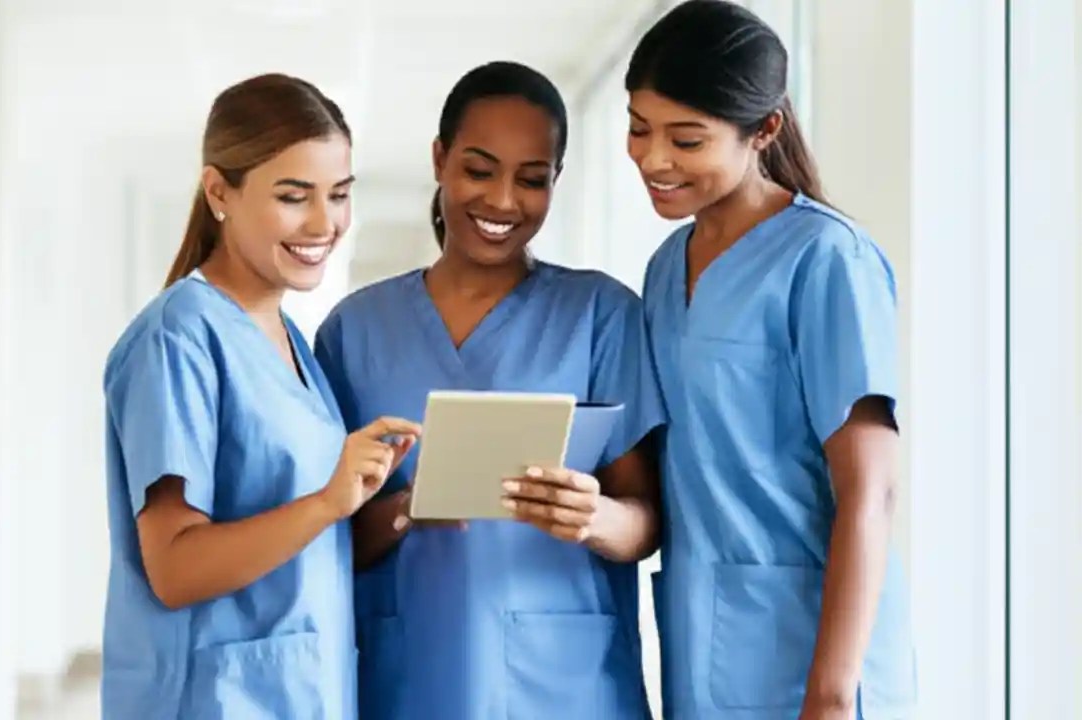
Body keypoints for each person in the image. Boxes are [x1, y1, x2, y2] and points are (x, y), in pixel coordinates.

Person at [314, 61, 665, 720]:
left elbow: (644, 519)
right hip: (411, 677)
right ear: (440, 159)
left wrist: (594, 518)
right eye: (479, 170)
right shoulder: (354, 333)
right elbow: (322, 537)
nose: (504, 202)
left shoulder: (600, 316)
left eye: (532, 180)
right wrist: (405, 509)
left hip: (565, 685)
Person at [625, 2, 917, 719]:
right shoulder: (665, 270)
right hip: (707, 652)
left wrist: (830, 694)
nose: (654, 159)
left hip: (815, 666)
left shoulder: (826, 261)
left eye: (686, 140)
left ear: (764, 131)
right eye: (638, 129)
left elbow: (871, 490)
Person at [99, 73, 421, 720]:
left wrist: (405, 508)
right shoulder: (179, 339)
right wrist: (329, 499)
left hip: (299, 694)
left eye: (338, 195)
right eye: (293, 196)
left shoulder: (291, 341)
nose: (323, 223)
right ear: (220, 191)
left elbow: (302, 547)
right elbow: (176, 568)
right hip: (215, 699)